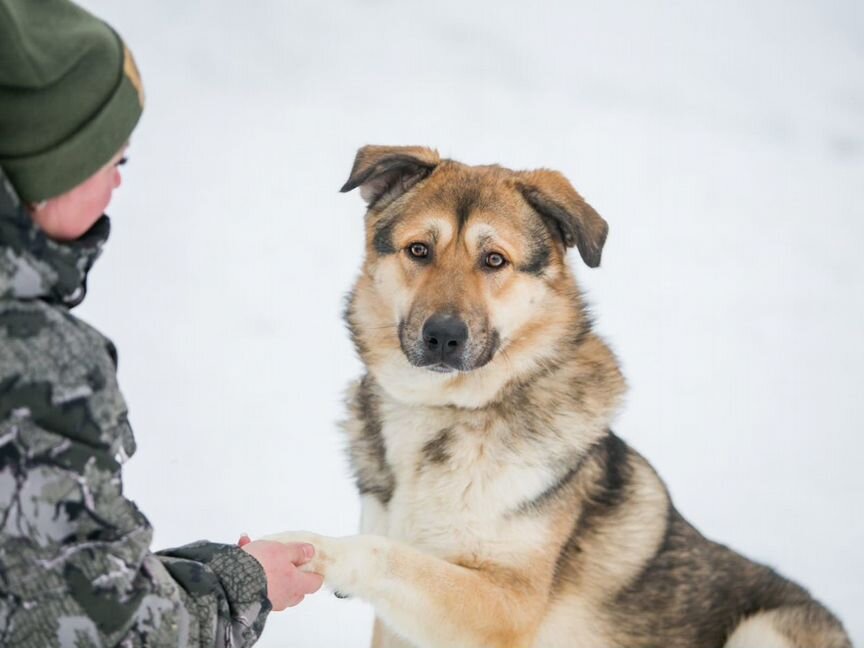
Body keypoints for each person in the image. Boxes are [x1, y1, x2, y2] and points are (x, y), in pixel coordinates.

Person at [0, 0, 322, 645]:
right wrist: (243, 582)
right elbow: (90, 631)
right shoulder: (36, 367)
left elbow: (32, 578)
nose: (119, 186)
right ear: (49, 167)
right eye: (113, 162)